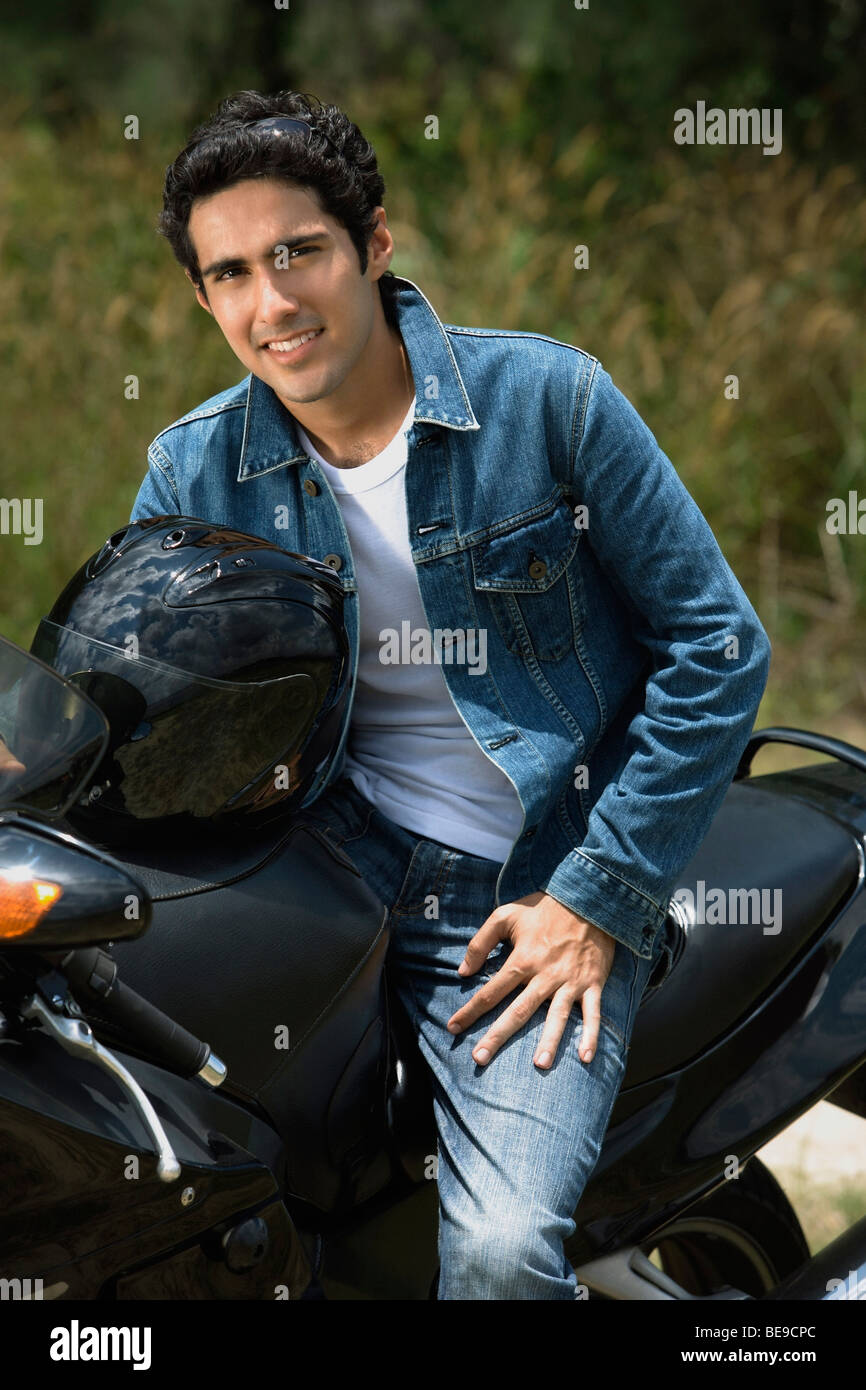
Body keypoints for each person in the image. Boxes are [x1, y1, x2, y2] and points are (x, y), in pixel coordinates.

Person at [128, 89, 772, 1299]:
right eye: (228, 275)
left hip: (525, 890)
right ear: (203, 298)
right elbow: (134, 701)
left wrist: (596, 899)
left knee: (492, 1250)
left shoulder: (549, 403)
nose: (270, 305)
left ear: (372, 244)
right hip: (316, 879)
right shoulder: (192, 466)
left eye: (296, 253)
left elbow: (717, 647)